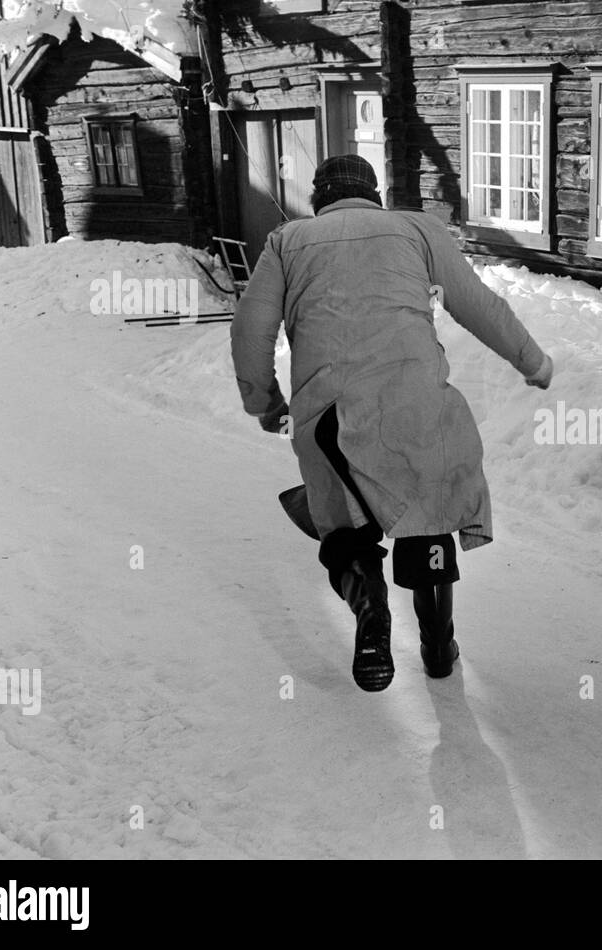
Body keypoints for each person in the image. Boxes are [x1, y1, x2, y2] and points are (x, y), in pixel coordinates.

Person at [231, 155, 553, 692]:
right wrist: (532, 361)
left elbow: (250, 330)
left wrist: (267, 404)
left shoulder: (287, 242)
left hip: (329, 418)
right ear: (372, 194)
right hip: (417, 408)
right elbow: (476, 304)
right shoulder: (417, 229)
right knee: (427, 517)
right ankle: (437, 647)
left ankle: (372, 613)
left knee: (347, 534)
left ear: (320, 198)